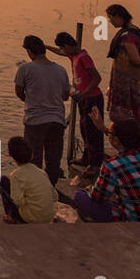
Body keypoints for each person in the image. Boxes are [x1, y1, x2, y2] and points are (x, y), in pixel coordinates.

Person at [73, 119, 140, 222]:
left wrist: (89, 189)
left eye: (110, 133)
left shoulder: (112, 165)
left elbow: (97, 197)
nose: (108, 136)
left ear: (116, 140)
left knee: (80, 196)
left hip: (139, 223)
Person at [14, 35, 71, 185]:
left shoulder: (25, 68)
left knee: (33, 159)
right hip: (57, 120)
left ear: (29, 51)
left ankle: (36, 191)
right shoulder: (61, 70)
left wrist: (30, 100)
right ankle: (51, 189)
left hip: (35, 121)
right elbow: (65, 96)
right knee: (53, 160)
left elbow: (19, 92)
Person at [50, 32, 105, 181]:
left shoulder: (83, 57)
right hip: (84, 99)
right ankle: (87, 158)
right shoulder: (72, 55)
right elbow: (60, 52)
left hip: (92, 98)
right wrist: (46, 47)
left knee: (94, 131)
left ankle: (95, 165)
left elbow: (97, 78)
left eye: (63, 47)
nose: (63, 51)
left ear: (68, 45)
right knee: (85, 128)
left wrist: (85, 94)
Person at [104, 4, 140, 146]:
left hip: (130, 83)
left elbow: (134, 59)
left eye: (111, 18)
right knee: (136, 116)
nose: (110, 21)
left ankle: (137, 146)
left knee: (132, 117)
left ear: (119, 17)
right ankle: (138, 146)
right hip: (128, 81)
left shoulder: (128, 36)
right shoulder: (131, 30)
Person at [0, 135, 57, 224]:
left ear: (10, 154)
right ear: (31, 154)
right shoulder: (41, 172)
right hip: (49, 217)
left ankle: (12, 217)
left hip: (30, 218)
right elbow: (55, 197)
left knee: (2, 181)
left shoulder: (16, 175)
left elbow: (19, 201)